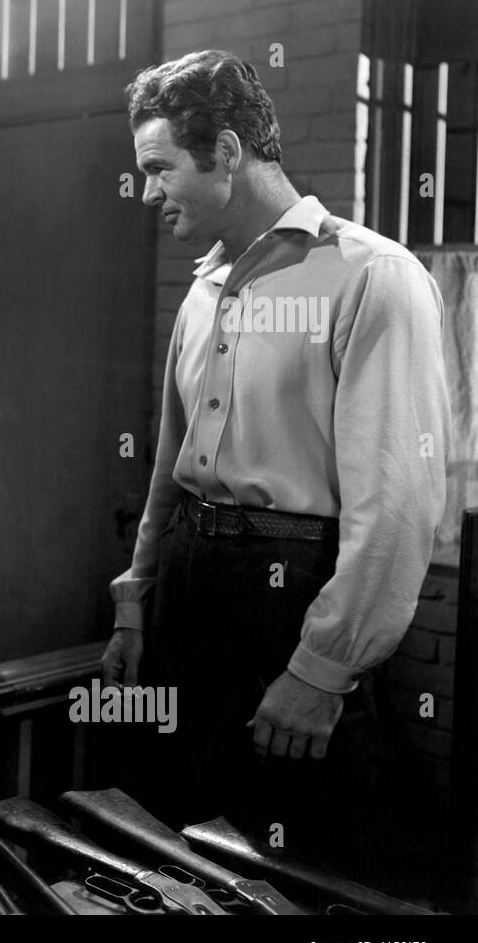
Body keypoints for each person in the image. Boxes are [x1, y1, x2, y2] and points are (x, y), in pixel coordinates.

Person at [101, 50, 450, 882]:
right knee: (181, 852)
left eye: (158, 169)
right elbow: (170, 472)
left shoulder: (375, 276)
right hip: (190, 583)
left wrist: (323, 669)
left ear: (225, 151)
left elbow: (396, 502)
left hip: (293, 594)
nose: (146, 194)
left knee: (304, 859)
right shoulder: (203, 290)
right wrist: (136, 600)